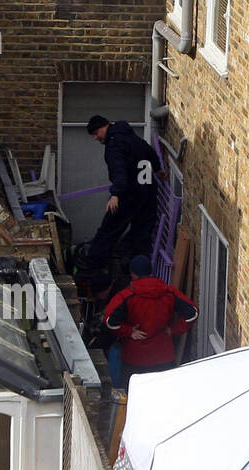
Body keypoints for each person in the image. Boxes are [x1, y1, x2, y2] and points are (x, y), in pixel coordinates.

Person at [81, 115, 161, 278]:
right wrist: (159, 169)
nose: (96, 138)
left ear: (105, 126)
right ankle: (139, 274)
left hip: (129, 195)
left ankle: (93, 268)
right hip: (148, 195)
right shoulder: (131, 137)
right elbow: (149, 151)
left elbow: (119, 171)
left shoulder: (114, 145)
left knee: (109, 230)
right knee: (142, 235)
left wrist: (115, 194)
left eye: (97, 133)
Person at [104, 255, 199, 391]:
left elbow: (110, 321)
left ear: (133, 274)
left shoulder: (126, 296)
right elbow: (193, 313)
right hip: (163, 357)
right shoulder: (169, 292)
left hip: (134, 359)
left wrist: (130, 331)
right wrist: (173, 330)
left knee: (133, 399)